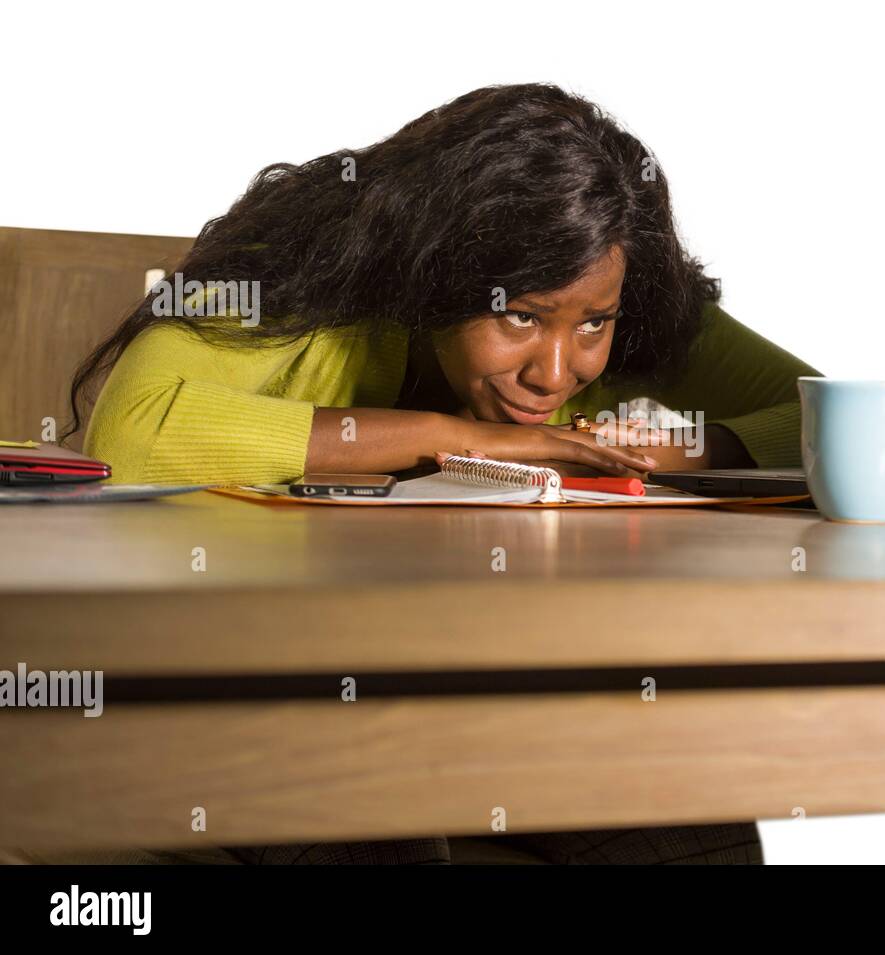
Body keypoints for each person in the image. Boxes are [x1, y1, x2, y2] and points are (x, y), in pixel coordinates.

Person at [66, 83, 820, 865]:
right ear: (440, 271)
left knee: (699, 835)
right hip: (237, 685)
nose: (554, 372)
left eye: (593, 322)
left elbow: (820, 413)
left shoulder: (633, 295)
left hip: (475, 691)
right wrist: (450, 437)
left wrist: (668, 445)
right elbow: (134, 430)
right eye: (520, 316)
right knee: (379, 830)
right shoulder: (292, 277)